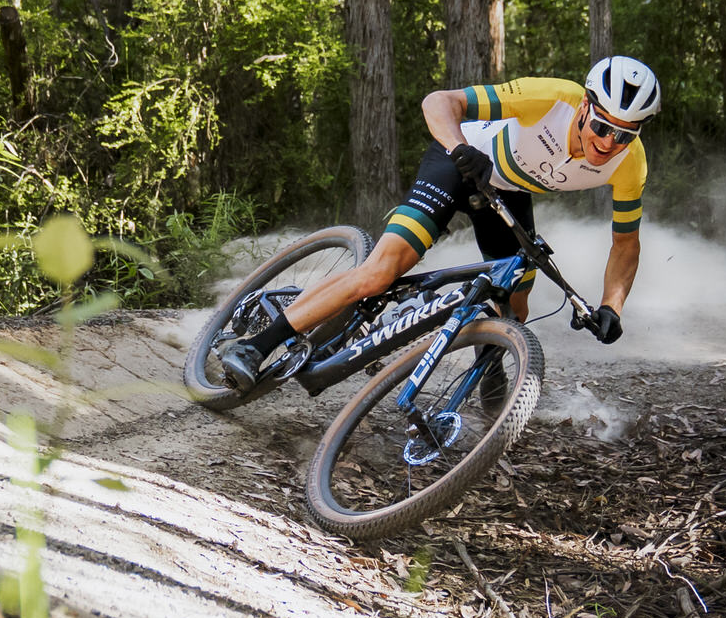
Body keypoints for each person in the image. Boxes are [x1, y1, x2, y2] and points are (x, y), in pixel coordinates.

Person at [217, 56, 661, 389]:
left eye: (625, 134)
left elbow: (625, 244)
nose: (609, 142)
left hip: (507, 192)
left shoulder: (629, 165)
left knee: (516, 307)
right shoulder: (549, 99)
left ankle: (490, 387)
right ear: (585, 106)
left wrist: (611, 307)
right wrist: (458, 146)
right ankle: (255, 346)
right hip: (462, 163)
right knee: (381, 272)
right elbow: (439, 101)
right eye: (603, 126)